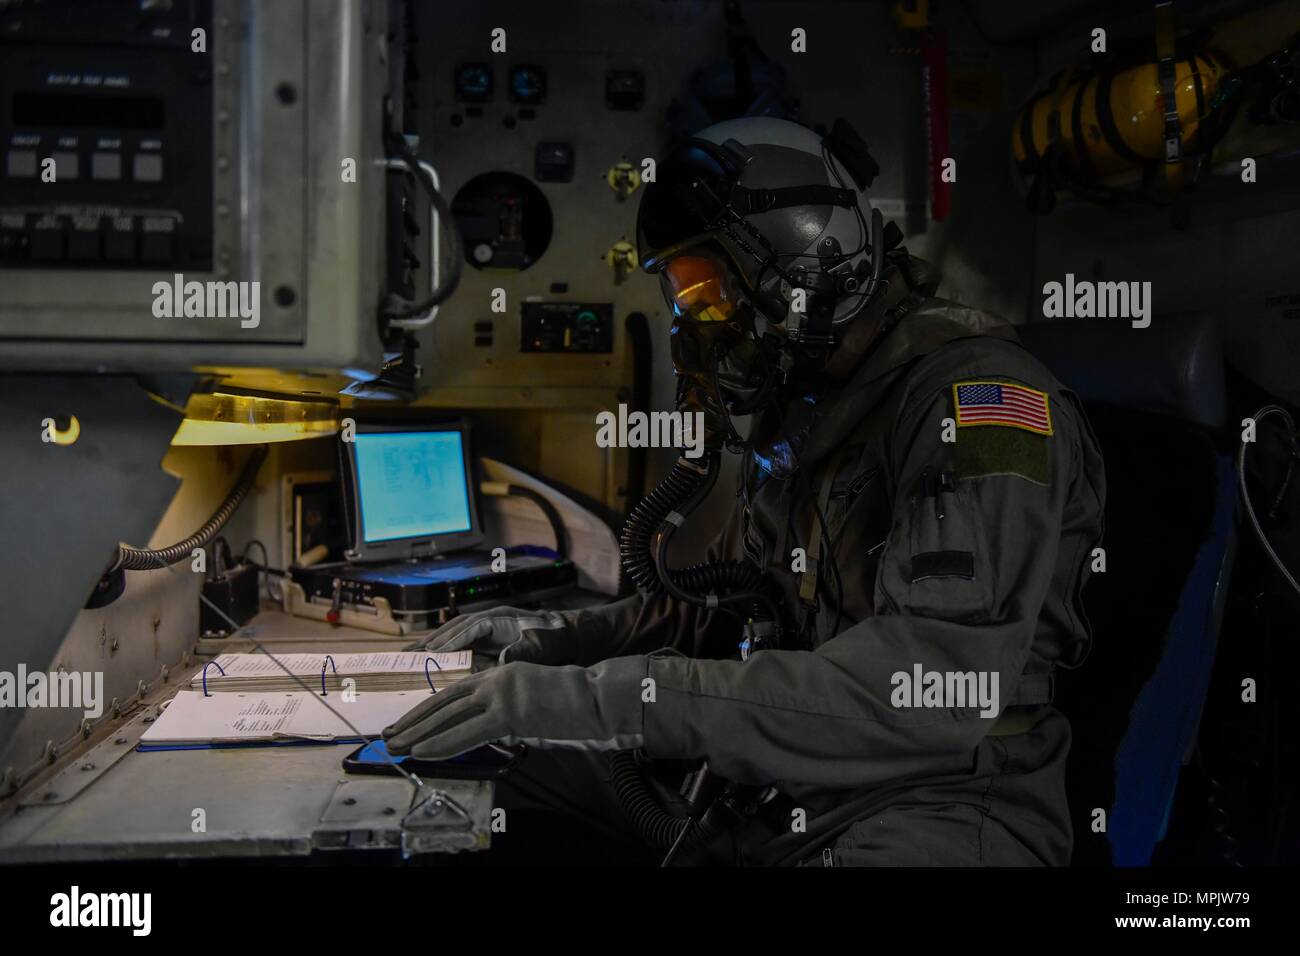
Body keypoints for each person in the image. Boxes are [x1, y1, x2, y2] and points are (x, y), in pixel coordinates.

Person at [384, 116, 1106, 866]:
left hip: (941, 801)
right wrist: (551, 648)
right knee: (490, 771)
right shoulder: (814, 406)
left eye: (709, 293)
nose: (695, 325)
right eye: (685, 299)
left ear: (807, 260)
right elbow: (727, 603)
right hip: (787, 782)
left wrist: (606, 699)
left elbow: (931, 688)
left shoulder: (980, 404)